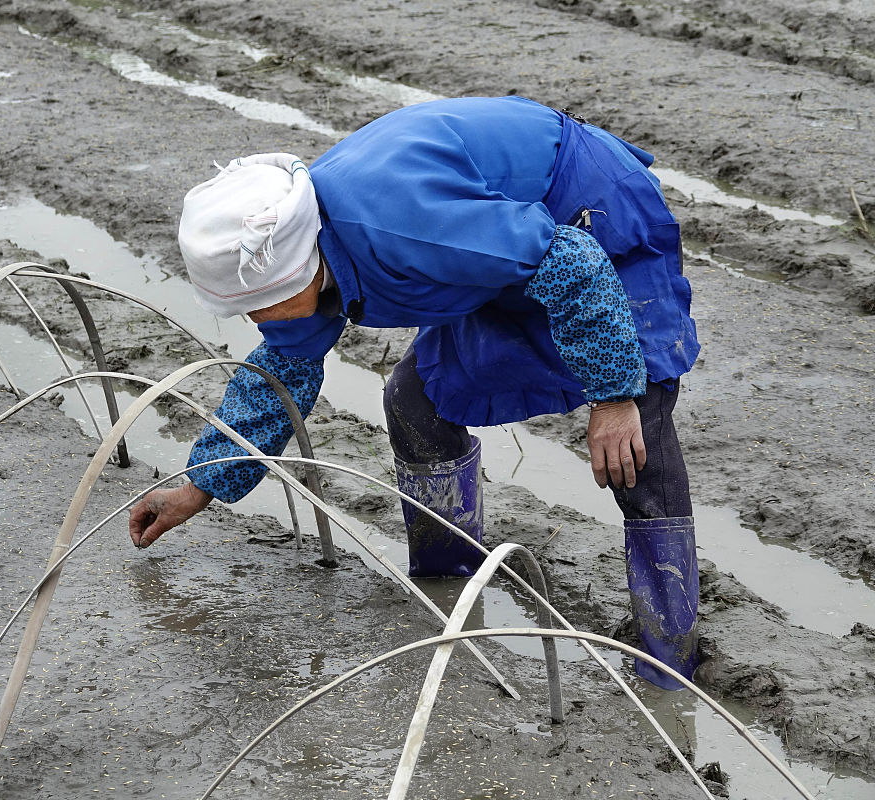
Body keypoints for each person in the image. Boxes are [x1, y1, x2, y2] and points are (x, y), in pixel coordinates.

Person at [127, 96, 700, 690]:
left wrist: (613, 399)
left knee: (636, 438)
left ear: (296, 270)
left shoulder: (403, 228)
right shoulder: (310, 253)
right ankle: (449, 583)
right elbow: (280, 373)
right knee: (415, 400)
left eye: (259, 305)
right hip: (507, 240)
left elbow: (574, 263)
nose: (255, 320)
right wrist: (198, 488)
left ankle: (669, 658)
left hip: (588, 213)